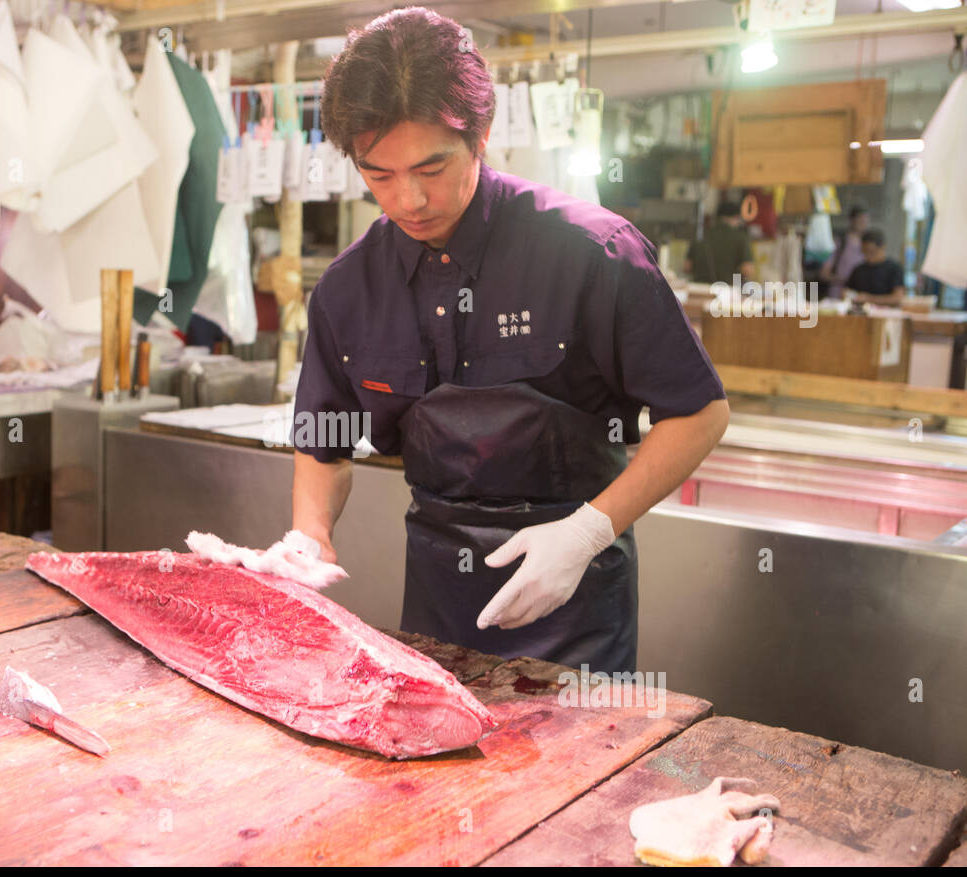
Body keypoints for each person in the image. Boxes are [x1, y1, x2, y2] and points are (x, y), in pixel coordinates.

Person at [291, 7, 729, 673]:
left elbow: (699, 414)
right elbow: (325, 444)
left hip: (576, 602)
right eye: (380, 175)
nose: (409, 199)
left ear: (482, 133)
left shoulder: (593, 253)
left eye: (432, 167)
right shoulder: (347, 289)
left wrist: (587, 534)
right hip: (436, 603)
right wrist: (310, 534)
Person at [685, 199, 756, 285]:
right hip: (728, 292)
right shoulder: (740, 237)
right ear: (737, 217)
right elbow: (747, 269)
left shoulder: (700, 235)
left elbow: (687, 267)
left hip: (699, 291)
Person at [845, 229, 906, 306]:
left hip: (886, 313)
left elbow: (897, 298)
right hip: (860, 313)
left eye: (871, 252)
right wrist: (849, 295)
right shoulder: (858, 269)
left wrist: (868, 298)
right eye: (864, 252)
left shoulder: (895, 268)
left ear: (882, 248)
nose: (867, 256)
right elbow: (846, 291)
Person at [820, 205, 869, 299]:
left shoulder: (868, 246)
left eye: (865, 221)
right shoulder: (839, 243)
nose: (863, 224)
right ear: (851, 220)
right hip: (836, 296)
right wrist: (845, 280)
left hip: (860, 296)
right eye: (860, 220)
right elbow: (823, 274)